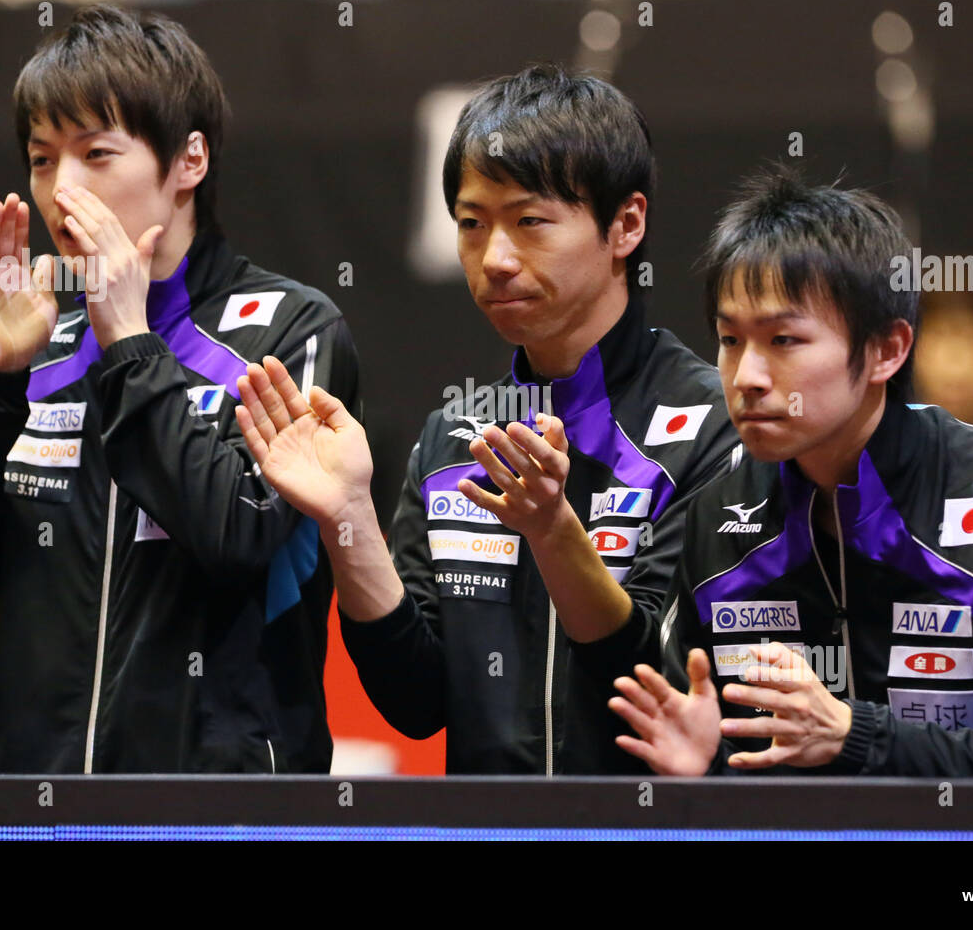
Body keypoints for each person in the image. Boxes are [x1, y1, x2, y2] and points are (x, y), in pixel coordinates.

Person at [234, 64, 739, 774]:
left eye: (529, 221)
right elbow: (416, 704)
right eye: (472, 225)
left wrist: (554, 534)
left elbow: (655, 683)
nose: (494, 259)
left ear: (625, 224)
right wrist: (348, 521)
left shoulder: (717, 429)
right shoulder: (452, 440)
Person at [0, 5, 359, 774]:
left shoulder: (291, 328)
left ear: (189, 161)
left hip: (222, 815)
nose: (62, 189)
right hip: (34, 802)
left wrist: (129, 340)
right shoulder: (40, 334)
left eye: (96, 153)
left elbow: (235, 538)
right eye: (42, 159)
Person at [609, 165, 973, 779]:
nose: (747, 377)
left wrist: (855, 734)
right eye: (730, 340)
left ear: (888, 349)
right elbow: (718, 755)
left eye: (783, 340)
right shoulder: (714, 514)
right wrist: (708, 768)